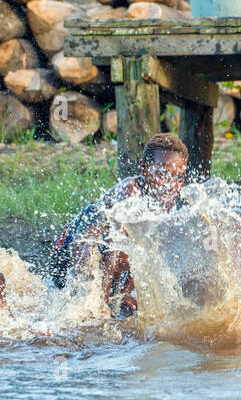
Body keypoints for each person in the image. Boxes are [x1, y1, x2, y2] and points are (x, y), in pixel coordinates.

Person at [48, 133, 189, 314]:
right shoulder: (130, 190)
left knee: (148, 244)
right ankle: (87, 296)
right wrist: (103, 303)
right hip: (66, 256)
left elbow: (145, 253)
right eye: (162, 174)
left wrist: (125, 294)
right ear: (144, 168)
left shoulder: (167, 203)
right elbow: (112, 245)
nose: (170, 185)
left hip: (106, 264)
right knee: (97, 225)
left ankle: (116, 295)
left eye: (178, 177)